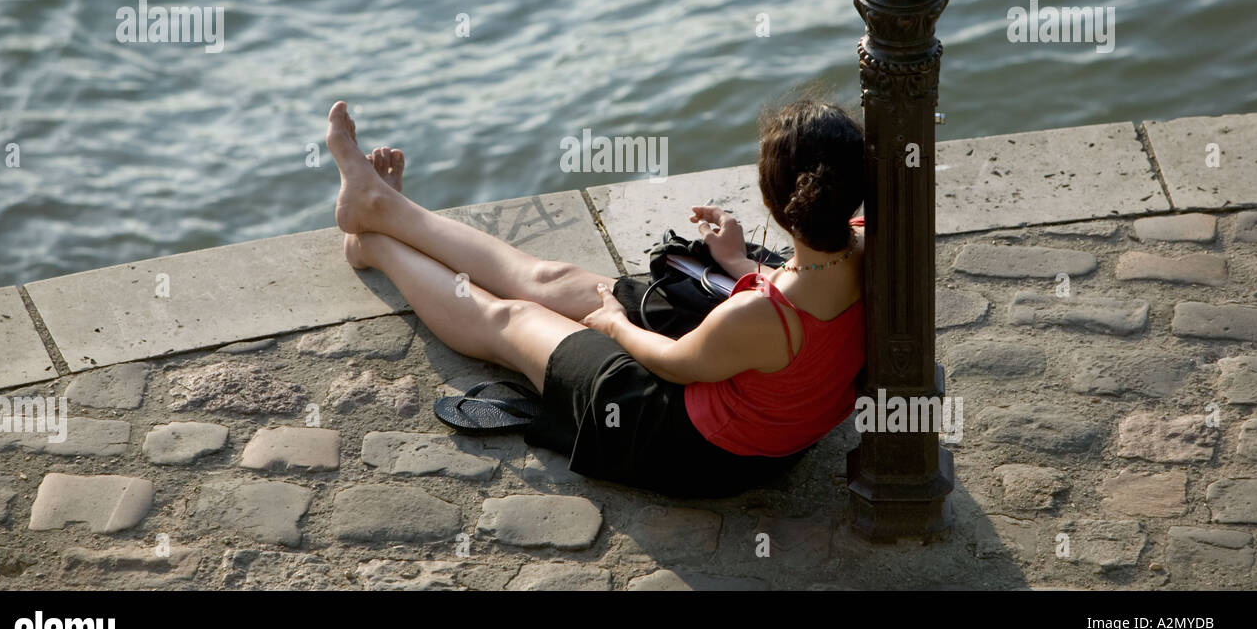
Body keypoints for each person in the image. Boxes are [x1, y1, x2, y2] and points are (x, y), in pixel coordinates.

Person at [327, 96, 866, 497]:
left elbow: (678, 366)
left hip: (687, 442)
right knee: (555, 279)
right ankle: (388, 214)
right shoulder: (865, 245)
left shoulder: (764, 314)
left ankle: (376, 243)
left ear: (777, 203)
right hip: (762, 399)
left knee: (515, 317)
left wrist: (612, 325)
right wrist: (739, 263)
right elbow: (806, 274)